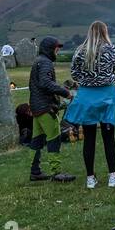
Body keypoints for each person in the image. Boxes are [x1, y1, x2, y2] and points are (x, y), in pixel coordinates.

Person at [67, 20, 115, 190]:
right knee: (109, 137)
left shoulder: (80, 50)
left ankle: (90, 178)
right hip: (106, 95)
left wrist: (87, 79)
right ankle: (112, 176)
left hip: (87, 96)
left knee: (89, 139)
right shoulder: (111, 49)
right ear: (105, 32)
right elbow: (114, 67)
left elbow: (74, 73)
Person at [24, 35, 75, 183]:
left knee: (37, 140)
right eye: (56, 48)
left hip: (36, 106)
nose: (57, 51)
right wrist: (65, 93)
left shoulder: (38, 61)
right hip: (46, 107)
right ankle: (56, 171)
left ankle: (35, 171)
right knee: (54, 138)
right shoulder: (45, 63)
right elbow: (45, 83)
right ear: (49, 49)